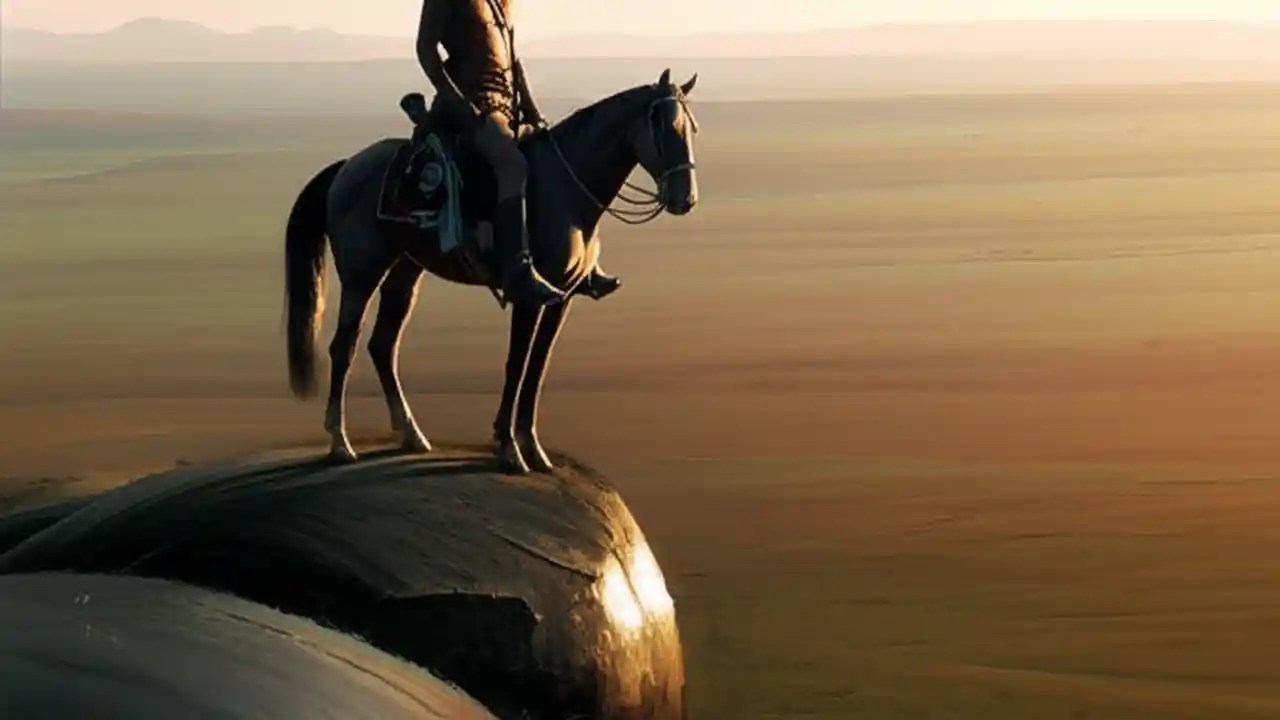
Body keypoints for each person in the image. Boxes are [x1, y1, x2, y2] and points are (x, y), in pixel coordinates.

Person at [416, 0, 620, 305]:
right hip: (471, 105)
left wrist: (531, 109)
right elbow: (426, 50)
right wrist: (459, 103)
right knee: (512, 164)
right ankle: (518, 269)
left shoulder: (502, 3)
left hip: (505, 107)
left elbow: (511, 59)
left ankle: (578, 263)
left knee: (551, 155)